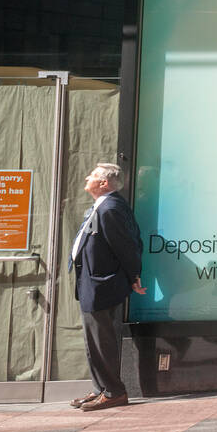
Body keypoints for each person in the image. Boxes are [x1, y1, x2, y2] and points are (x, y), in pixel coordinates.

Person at [68, 163, 144, 411]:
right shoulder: (102, 206)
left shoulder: (110, 208)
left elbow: (127, 245)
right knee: (94, 340)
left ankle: (114, 392)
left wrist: (134, 275)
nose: (87, 177)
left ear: (104, 183)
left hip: (104, 284)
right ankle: (101, 389)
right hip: (93, 283)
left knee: (103, 341)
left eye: (93, 175)